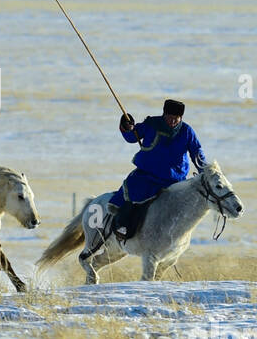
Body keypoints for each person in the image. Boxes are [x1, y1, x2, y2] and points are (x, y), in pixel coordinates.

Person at [83, 98, 207, 258]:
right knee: (133, 192)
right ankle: (123, 225)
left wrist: (204, 170)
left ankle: (175, 242)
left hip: (175, 180)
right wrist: (127, 127)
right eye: (169, 117)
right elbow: (132, 136)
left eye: (176, 118)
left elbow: (197, 152)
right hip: (148, 175)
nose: (172, 121)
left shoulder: (187, 132)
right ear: (164, 114)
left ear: (181, 118)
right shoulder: (151, 125)